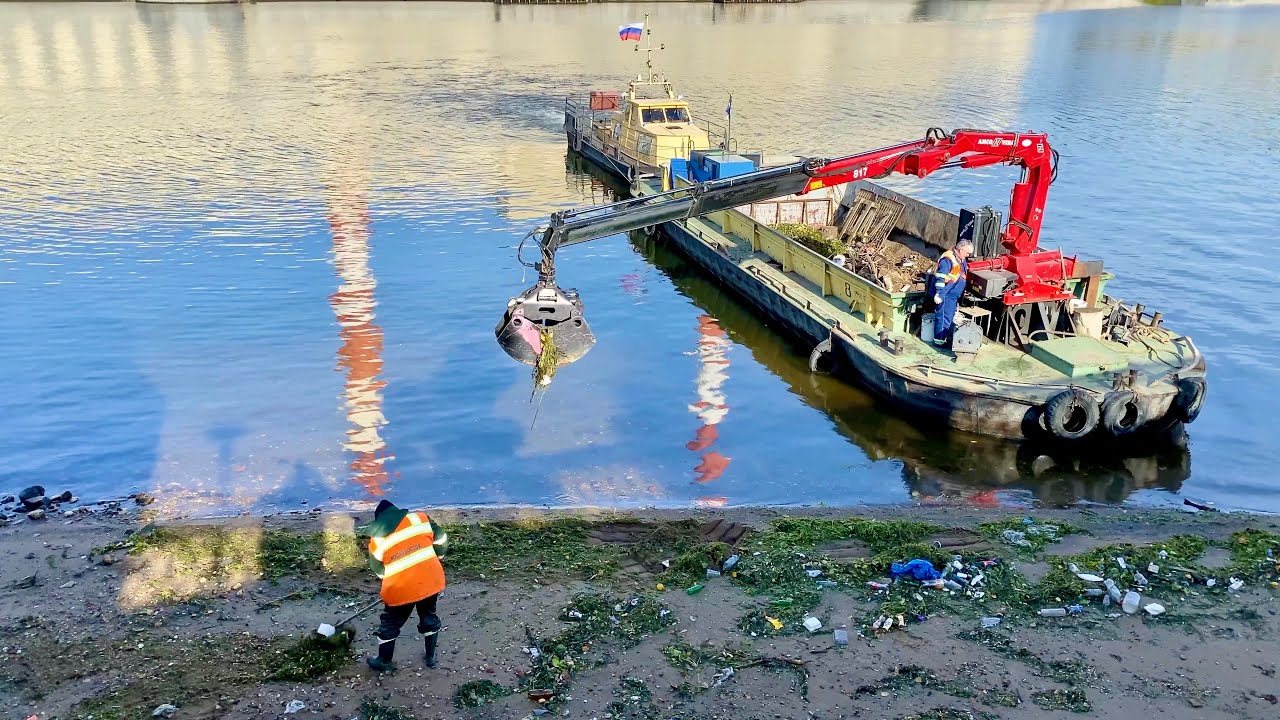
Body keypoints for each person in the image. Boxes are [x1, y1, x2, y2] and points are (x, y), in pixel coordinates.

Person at [362, 499, 448, 672]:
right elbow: (441, 539)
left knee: (390, 624)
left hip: (400, 588)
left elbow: (381, 573)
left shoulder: (376, 540)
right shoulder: (420, 519)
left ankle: (384, 661)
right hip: (430, 579)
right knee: (429, 617)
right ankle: (430, 658)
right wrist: (436, 557)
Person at [931, 239, 973, 346]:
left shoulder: (961, 259)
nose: (968, 255)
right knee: (943, 318)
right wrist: (939, 294)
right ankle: (939, 341)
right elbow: (941, 277)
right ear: (961, 250)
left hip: (952, 296)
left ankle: (945, 338)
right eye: (967, 253)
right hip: (945, 295)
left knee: (949, 316)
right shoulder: (948, 259)